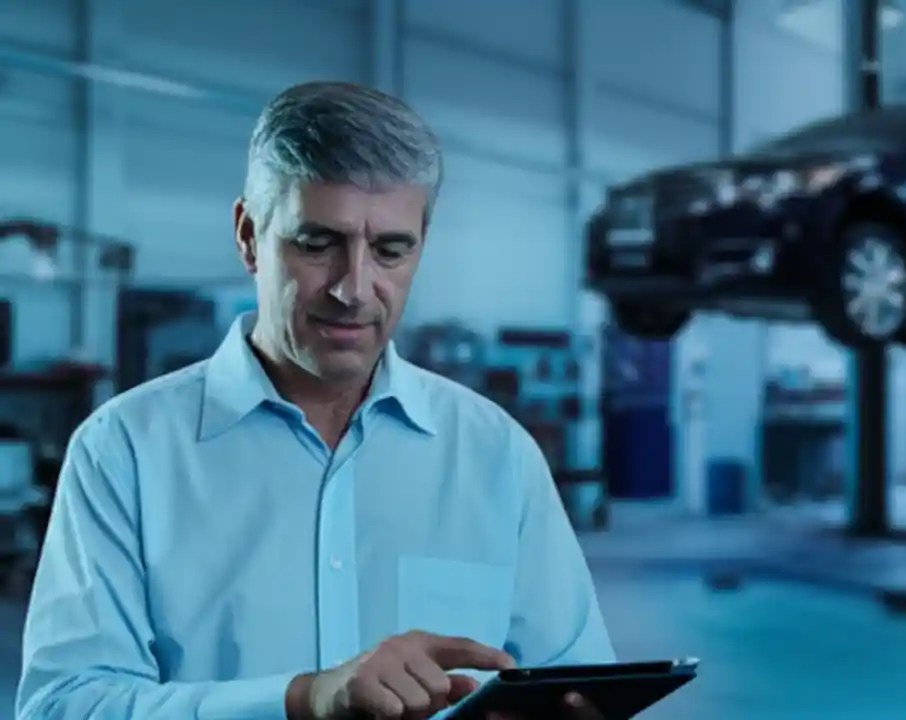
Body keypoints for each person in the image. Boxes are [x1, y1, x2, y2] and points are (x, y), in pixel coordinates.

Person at [17, 82, 614, 719]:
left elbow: (574, 683)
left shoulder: (496, 454)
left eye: (390, 249)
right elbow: (65, 706)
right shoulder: (125, 451)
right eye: (316, 243)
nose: (354, 289)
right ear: (249, 236)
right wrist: (302, 700)